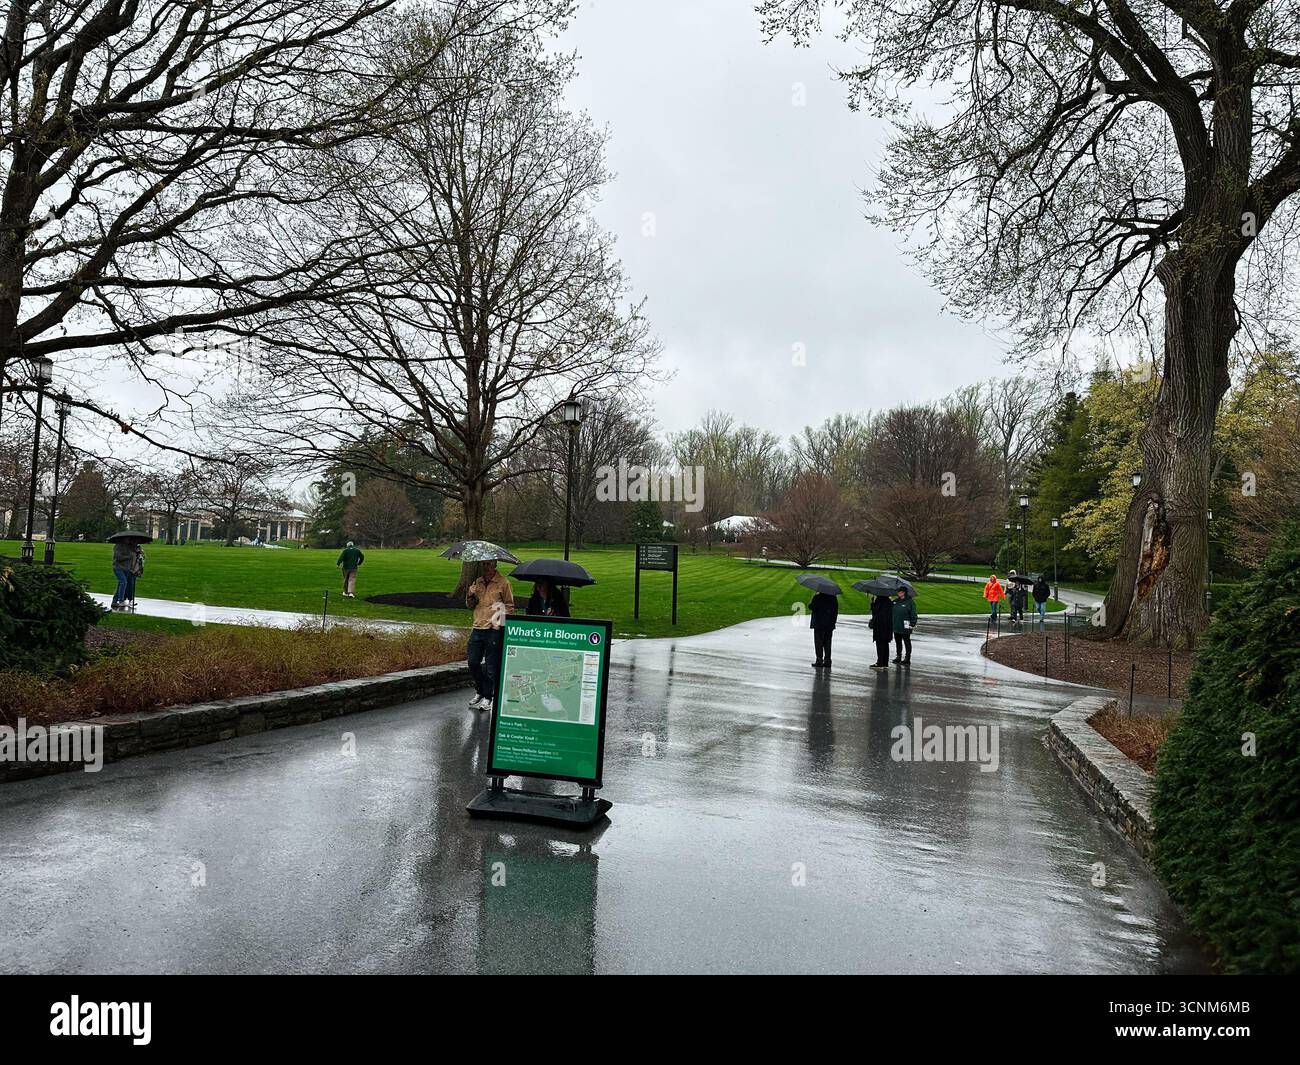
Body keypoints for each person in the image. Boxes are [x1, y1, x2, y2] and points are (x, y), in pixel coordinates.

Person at [465, 560, 515, 712]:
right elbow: (470, 606)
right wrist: (470, 594)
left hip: (494, 628)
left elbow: (510, 606)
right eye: (484, 564)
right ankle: (480, 691)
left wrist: (499, 623)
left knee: (490, 666)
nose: (485, 567)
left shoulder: (503, 582)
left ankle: (488, 697)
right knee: (473, 662)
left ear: (495, 565)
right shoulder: (477, 582)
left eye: (488, 564)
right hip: (478, 626)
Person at [808, 590, 838, 669]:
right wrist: (833, 622)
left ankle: (819, 660)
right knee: (828, 643)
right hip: (829, 624)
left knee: (819, 643)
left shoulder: (817, 597)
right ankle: (827, 661)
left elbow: (811, 606)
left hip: (819, 624)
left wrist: (813, 597)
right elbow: (835, 611)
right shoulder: (833, 598)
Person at [891, 589, 917, 664]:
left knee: (906, 641)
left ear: (904, 593)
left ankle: (907, 658)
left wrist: (913, 623)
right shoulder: (895, 601)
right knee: (898, 641)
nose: (898, 593)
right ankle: (898, 656)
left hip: (906, 625)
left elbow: (913, 613)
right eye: (898, 592)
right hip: (896, 624)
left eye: (900, 592)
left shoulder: (910, 602)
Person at [868, 593, 893, 669]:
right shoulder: (889, 601)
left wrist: (872, 603)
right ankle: (885, 662)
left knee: (880, 644)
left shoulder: (879, 601)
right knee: (885, 644)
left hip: (880, 625)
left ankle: (880, 662)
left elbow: (875, 612)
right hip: (888, 625)